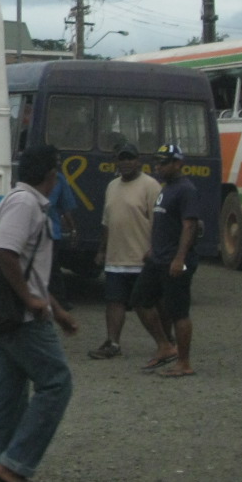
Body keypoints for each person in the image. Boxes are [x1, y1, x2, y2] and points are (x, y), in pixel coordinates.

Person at [0, 143, 78, 482]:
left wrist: (56, 308)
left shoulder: (22, 201)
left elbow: (27, 266)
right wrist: (30, 300)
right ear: (51, 175)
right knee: (57, 383)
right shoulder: (25, 204)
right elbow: (4, 252)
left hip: (14, 314)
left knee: (9, 393)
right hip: (22, 318)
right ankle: (14, 466)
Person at [131, 145, 205, 378]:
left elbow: (189, 226)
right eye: (157, 162)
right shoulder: (166, 188)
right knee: (139, 299)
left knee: (178, 312)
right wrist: (153, 249)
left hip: (176, 260)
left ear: (178, 163)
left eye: (163, 163)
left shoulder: (186, 190)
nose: (158, 167)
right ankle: (164, 346)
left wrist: (180, 258)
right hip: (158, 258)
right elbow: (164, 224)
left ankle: (184, 362)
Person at [87, 145, 161, 361]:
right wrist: (102, 250)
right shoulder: (112, 186)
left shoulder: (150, 185)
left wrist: (155, 249)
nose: (126, 162)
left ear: (139, 161)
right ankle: (113, 343)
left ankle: (164, 343)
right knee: (114, 301)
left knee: (146, 304)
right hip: (115, 258)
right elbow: (107, 221)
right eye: (122, 159)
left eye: (130, 158)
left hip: (142, 258)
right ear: (116, 162)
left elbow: (159, 221)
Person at [45, 172, 79, 309]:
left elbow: (66, 207)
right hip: (32, 231)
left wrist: (73, 230)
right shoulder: (32, 177)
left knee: (52, 268)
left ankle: (58, 301)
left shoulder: (59, 179)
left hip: (52, 233)